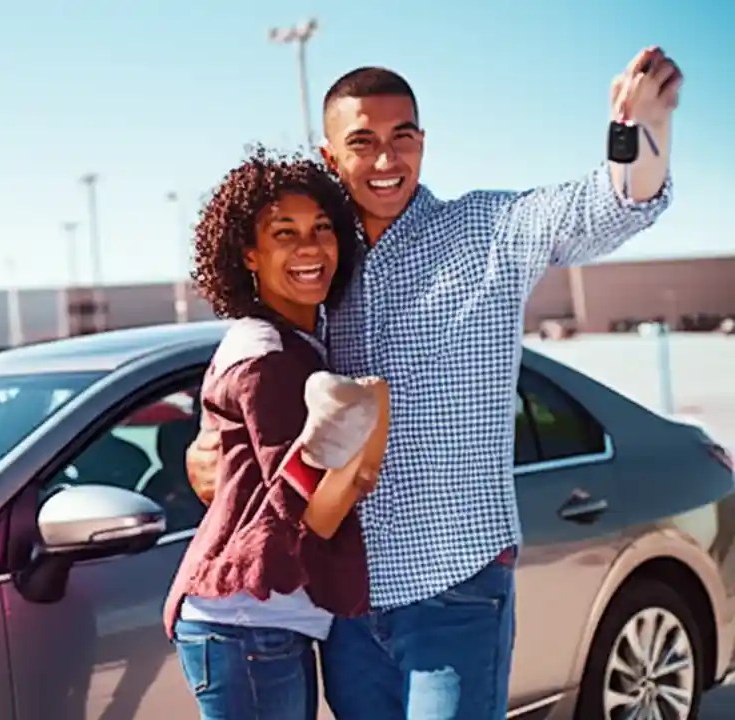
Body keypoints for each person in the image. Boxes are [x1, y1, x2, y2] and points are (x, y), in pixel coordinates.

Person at [184, 47, 683, 719]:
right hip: (349, 607)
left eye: (403, 138)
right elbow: (258, 386)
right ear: (331, 157)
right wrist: (208, 448)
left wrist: (641, 136)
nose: (386, 160)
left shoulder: (484, 231)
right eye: (363, 142)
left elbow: (603, 208)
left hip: (456, 585)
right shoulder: (320, 266)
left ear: (423, 144)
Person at [163, 146, 392, 719]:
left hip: (258, 624)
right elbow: (309, 511)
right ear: (248, 254)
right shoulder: (268, 355)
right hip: (246, 625)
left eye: (321, 229)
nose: (311, 247)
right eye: (284, 233)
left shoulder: (285, 341)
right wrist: (371, 423)